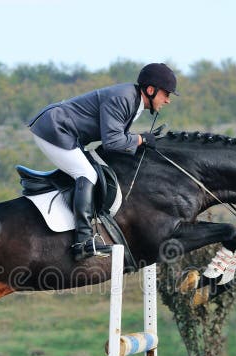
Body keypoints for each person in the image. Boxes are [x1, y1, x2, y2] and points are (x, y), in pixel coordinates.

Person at [28, 62, 178, 261]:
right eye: (166, 94)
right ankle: (82, 242)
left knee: (93, 170)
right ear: (151, 90)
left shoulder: (134, 101)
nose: (167, 100)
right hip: (55, 130)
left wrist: (139, 141)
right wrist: (140, 139)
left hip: (66, 132)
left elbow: (118, 138)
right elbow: (113, 142)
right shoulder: (123, 98)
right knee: (87, 174)